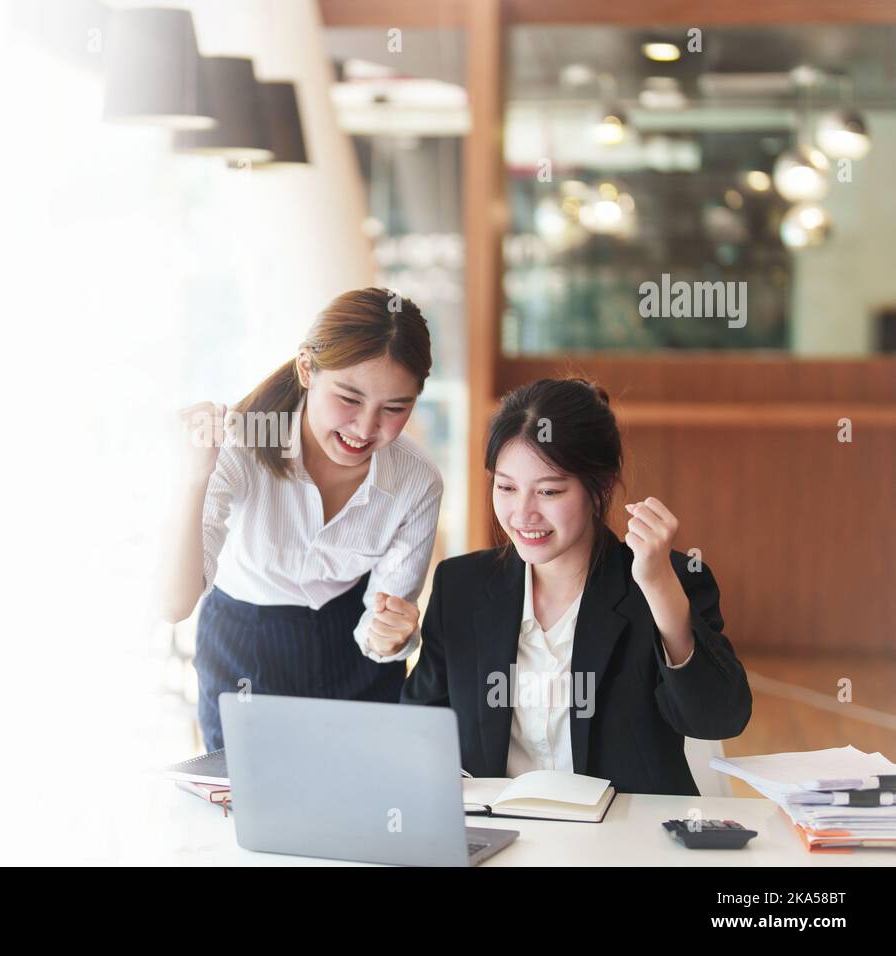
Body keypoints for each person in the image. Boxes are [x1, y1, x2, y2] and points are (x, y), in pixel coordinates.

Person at [401, 377, 752, 794]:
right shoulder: (462, 586)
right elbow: (419, 728)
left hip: (623, 841)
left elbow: (718, 717)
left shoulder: (669, 580)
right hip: (503, 838)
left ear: (599, 488)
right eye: (506, 487)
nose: (522, 513)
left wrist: (660, 591)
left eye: (549, 491)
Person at [162, 288, 443, 752]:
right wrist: (192, 479)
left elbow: (381, 625)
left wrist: (392, 635)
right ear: (307, 368)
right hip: (243, 646)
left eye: (395, 408)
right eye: (350, 398)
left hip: (354, 655)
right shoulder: (238, 443)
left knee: (366, 808)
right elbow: (172, 605)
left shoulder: (417, 480)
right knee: (252, 812)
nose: (365, 428)